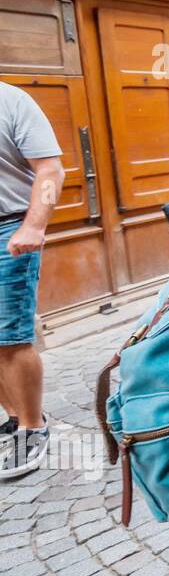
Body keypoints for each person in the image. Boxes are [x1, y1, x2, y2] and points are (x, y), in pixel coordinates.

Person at [0, 84, 64, 479]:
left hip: (9, 229)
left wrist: (34, 225)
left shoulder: (11, 101)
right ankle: (12, 416)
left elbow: (50, 168)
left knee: (9, 336)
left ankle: (32, 427)